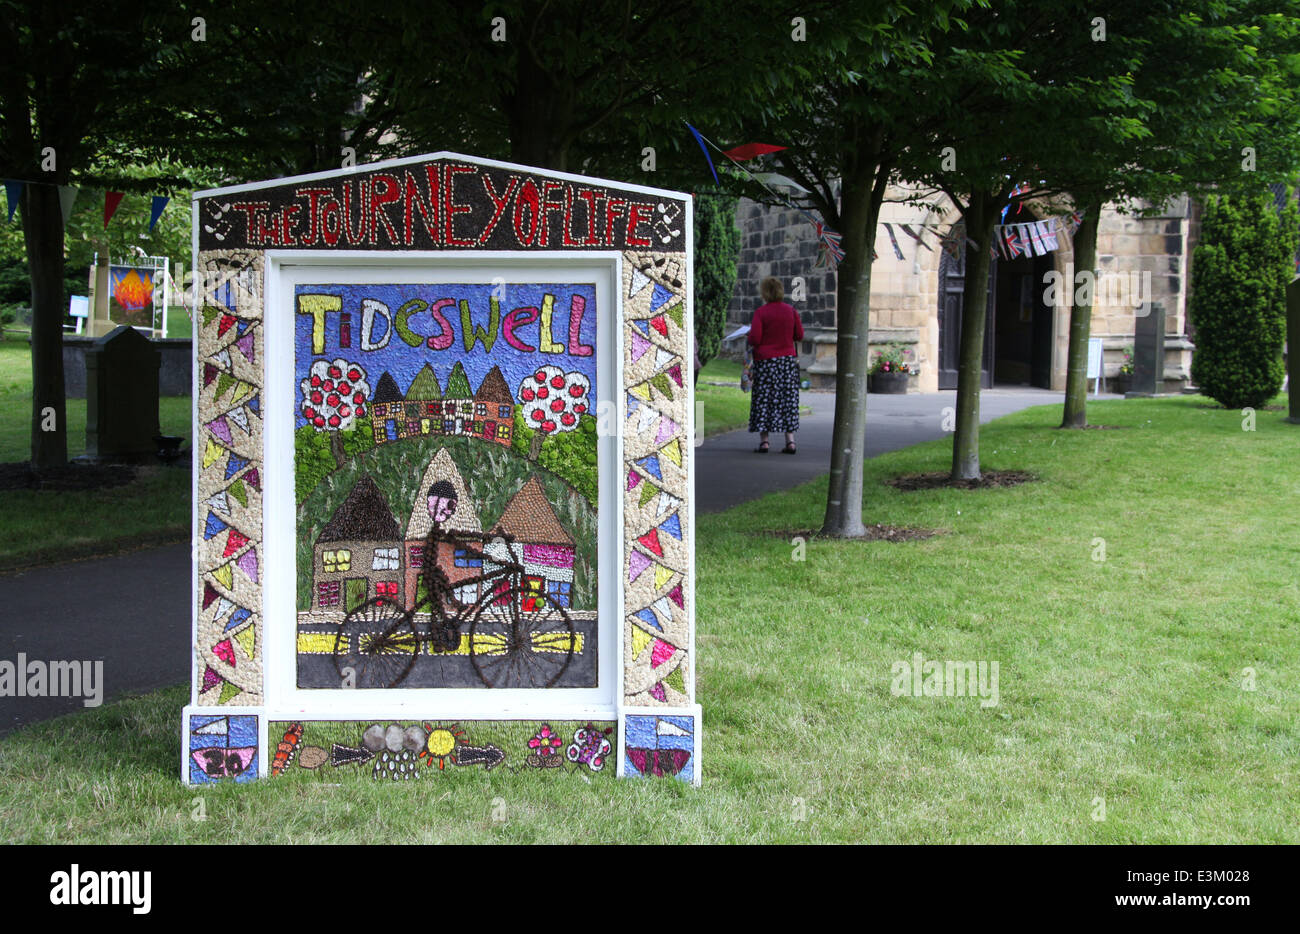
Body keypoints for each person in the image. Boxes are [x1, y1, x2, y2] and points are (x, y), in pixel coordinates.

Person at [746, 276, 803, 453]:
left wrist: (748, 335)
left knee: (764, 398)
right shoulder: (791, 311)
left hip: (765, 362)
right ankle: (790, 441)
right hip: (786, 361)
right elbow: (799, 335)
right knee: (788, 398)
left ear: (764, 293)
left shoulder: (761, 313)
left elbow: (755, 339)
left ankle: (764, 441)